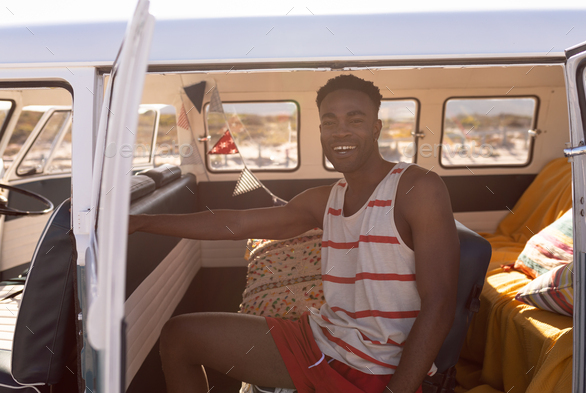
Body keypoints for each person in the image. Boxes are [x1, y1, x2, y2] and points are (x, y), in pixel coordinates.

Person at [128, 74, 460, 393]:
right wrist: (142, 222)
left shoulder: (417, 188)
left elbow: (440, 301)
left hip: (378, 368)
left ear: (376, 127)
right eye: (330, 122)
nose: (340, 132)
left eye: (354, 119)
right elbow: (237, 223)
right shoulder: (326, 199)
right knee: (180, 336)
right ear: (319, 131)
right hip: (322, 341)